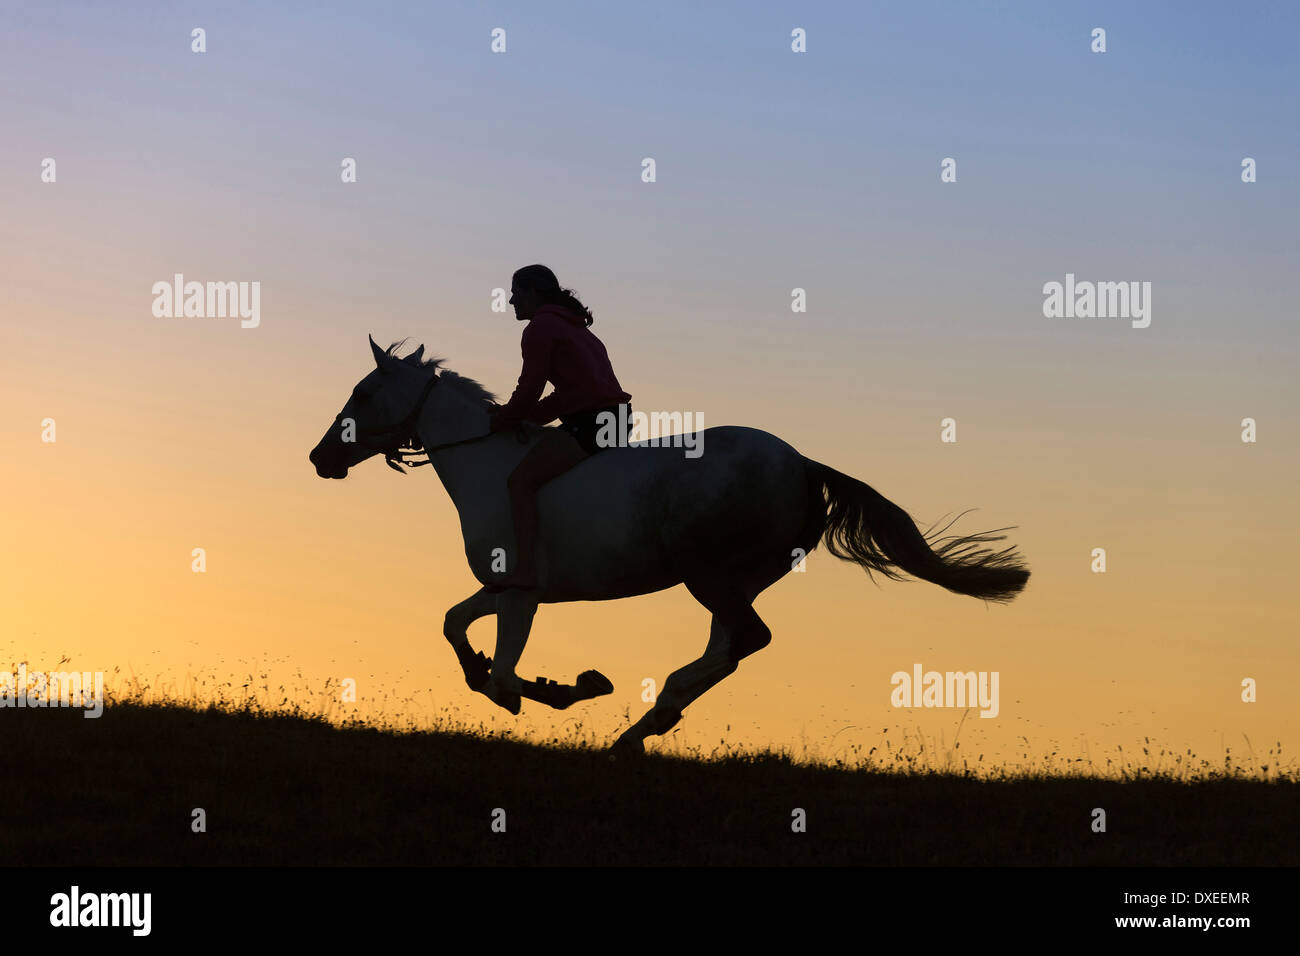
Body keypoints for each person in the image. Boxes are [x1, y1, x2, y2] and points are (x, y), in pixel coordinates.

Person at [487, 264, 633, 590]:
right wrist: (526, 418)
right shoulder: (576, 327)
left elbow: (530, 386)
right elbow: (569, 392)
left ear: (534, 293)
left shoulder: (540, 327)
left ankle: (525, 570)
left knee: (520, 482)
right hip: (615, 419)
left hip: (591, 422)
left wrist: (504, 419)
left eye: (516, 293)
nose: (511, 301)